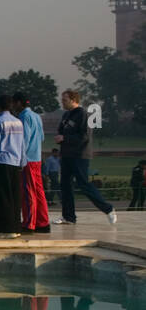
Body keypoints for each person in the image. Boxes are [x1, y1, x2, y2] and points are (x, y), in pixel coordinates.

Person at [53, 89, 116, 226]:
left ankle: (108, 209)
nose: (62, 102)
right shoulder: (66, 115)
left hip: (80, 155)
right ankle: (68, 217)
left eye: (64, 100)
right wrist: (60, 137)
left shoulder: (83, 114)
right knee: (65, 186)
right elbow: (61, 131)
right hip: (66, 155)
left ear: (73, 100)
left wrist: (65, 138)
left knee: (83, 184)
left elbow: (84, 137)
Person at [0, 94, 24, 239]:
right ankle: (16, 226)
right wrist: (22, 161)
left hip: (2, 161)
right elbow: (22, 144)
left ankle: (6, 229)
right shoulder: (18, 122)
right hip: (15, 162)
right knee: (15, 195)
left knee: (3, 196)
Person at [12, 92, 49, 235]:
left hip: (27, 160)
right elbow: (42, 137)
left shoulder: (23, 117)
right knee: (38, 192)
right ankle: (42, 222)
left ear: (19, 103)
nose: (14, 106)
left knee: (28, 193)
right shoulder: (36, 116)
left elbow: (24, 141)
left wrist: (20, 159)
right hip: (37, 158)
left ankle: (29, 223)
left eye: (15, 103)